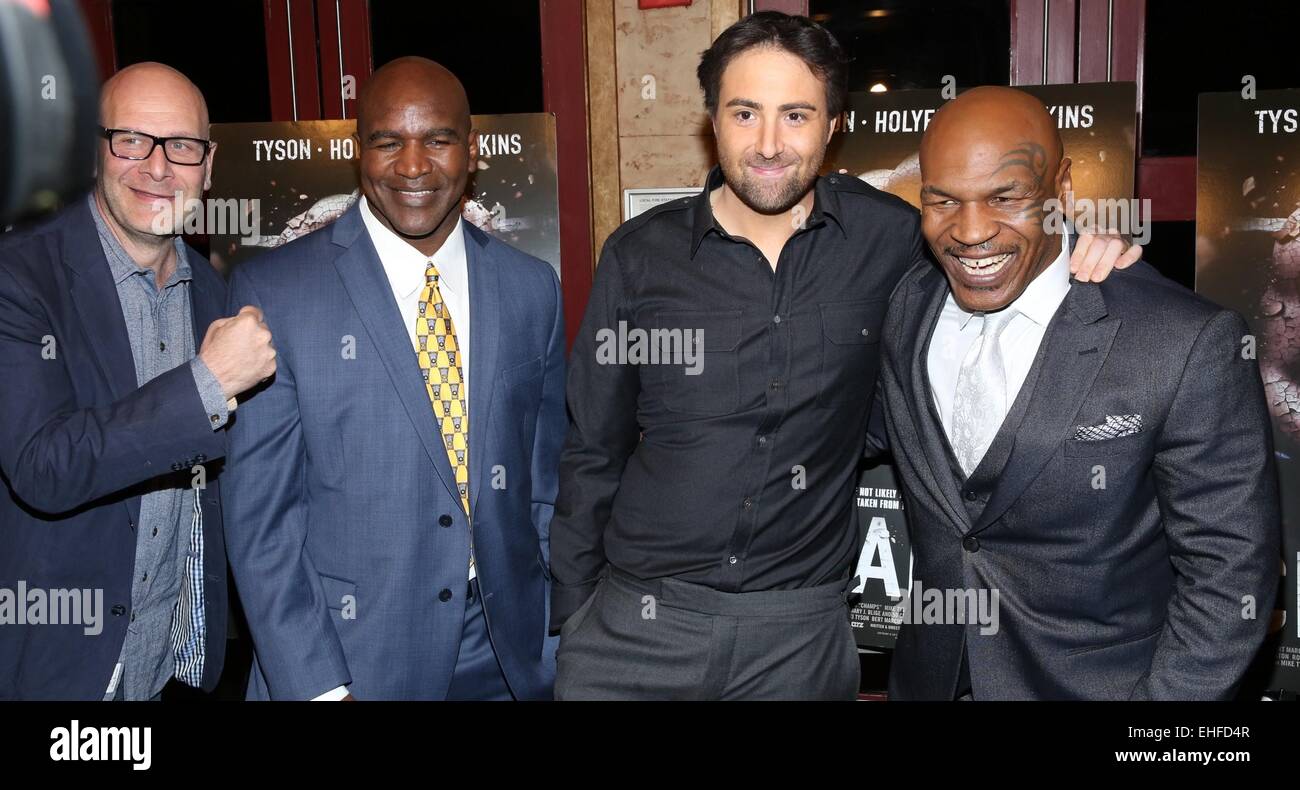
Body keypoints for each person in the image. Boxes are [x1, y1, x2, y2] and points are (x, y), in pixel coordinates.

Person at [549, 11, 1138, 700]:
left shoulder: (892, 239)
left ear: (832, 128)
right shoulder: (639, 256)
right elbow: (592, 446)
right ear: (713, 121)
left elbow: (1001, 248)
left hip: (797, 638)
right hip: (633, 630)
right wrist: (577, 615)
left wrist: (1093, 248)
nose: (769, 144)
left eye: (796, 115)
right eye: (745, 113)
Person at [878, 86, 1280, 700]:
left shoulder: (1183, 341)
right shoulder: (908, 304)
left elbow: (1230, 575)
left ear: (1061, 190)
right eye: (943, 201)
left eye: (1005, 198)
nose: (971, 231)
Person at [221, 57, 565, 700]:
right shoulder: (275, 292)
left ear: (472, 150)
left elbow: (545, 484)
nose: (412, 166)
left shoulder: (530, 288)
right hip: (354, 662)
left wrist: (554, 632)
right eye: (388, 142)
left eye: (437, 139)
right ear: (360, 153)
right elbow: (262, 524)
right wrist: (320, 687)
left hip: (510, 658)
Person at [0, 62, 275, 700]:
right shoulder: (21, 278)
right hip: (56, 672)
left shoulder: (216, 294)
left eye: (180, 146)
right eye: (131, 140)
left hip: (171, 668)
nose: (156, 168)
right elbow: (45, 465)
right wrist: (207, 383)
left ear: (208, 164)